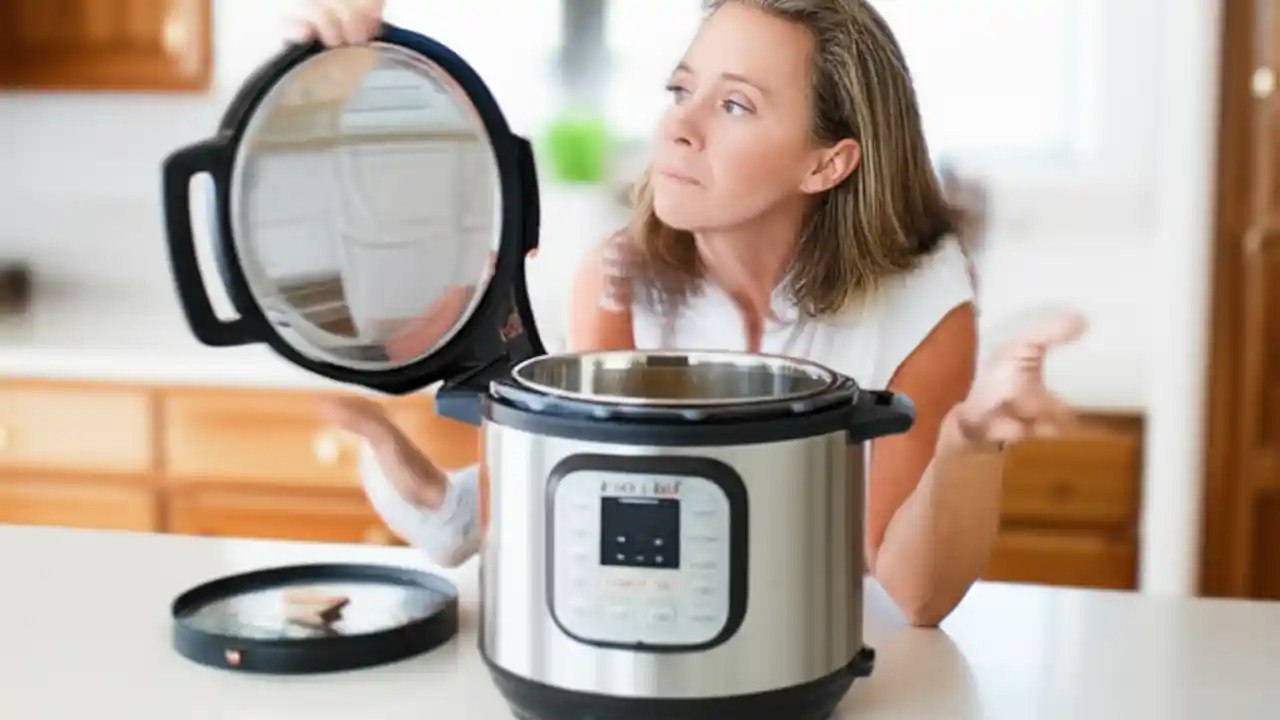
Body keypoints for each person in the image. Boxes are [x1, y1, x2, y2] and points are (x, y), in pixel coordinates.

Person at [295, 0, 1087, 626]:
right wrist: (439, 498)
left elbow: (913, 598)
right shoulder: (620, 280)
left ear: (828, 161)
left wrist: (970, 443)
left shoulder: (921, 301)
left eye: (735, 105)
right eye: (682, 89)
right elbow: (563, 530)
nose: (678, 124)